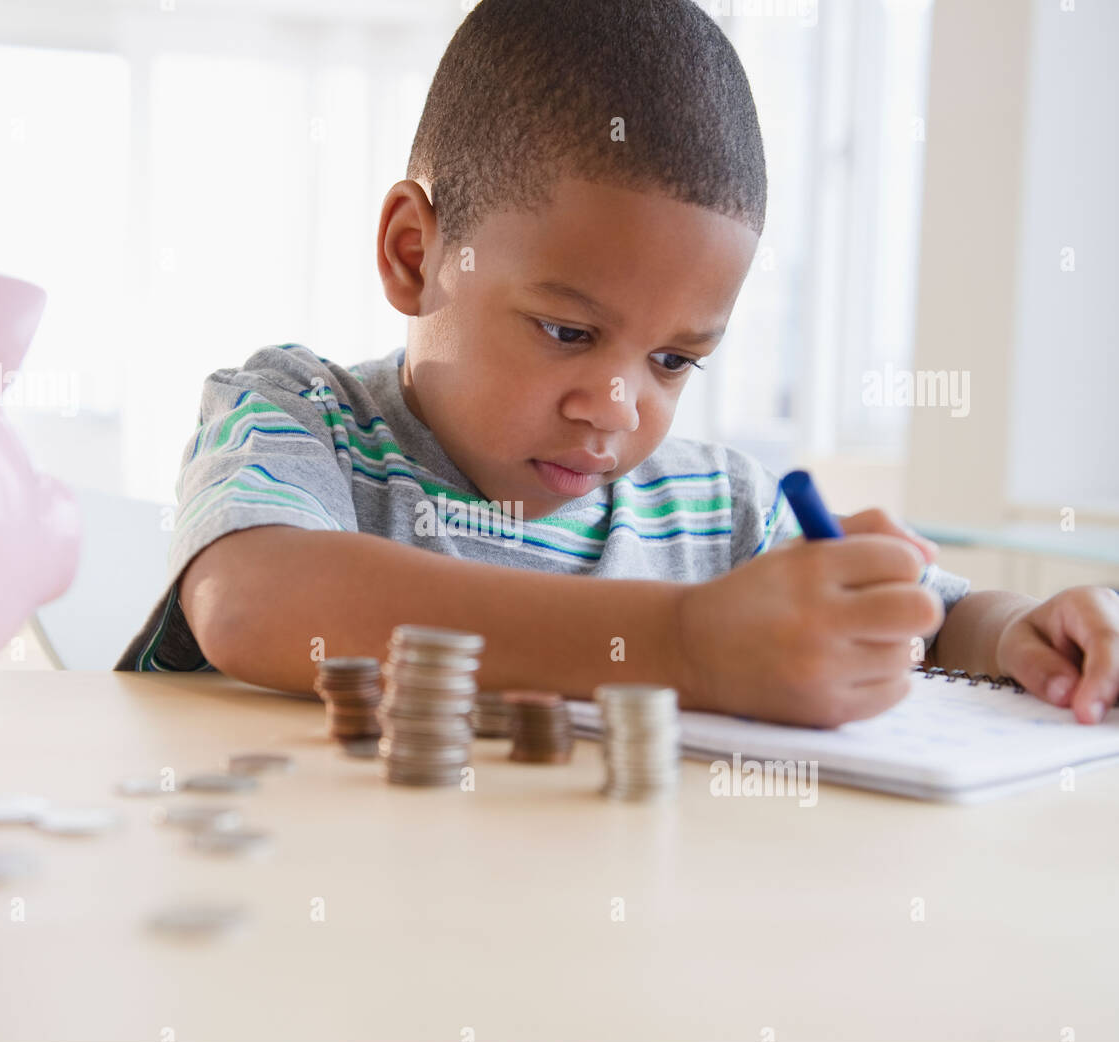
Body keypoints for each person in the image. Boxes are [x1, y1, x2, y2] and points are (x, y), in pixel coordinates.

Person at [117, 0, 1118, 729]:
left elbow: (934, 620)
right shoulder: (299, 417)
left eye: (675, 360)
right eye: (565, 330)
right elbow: (250, 601)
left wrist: (1027, 627)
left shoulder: (716, 507)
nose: (613, 407)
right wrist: (688, 644)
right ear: (416, 255)